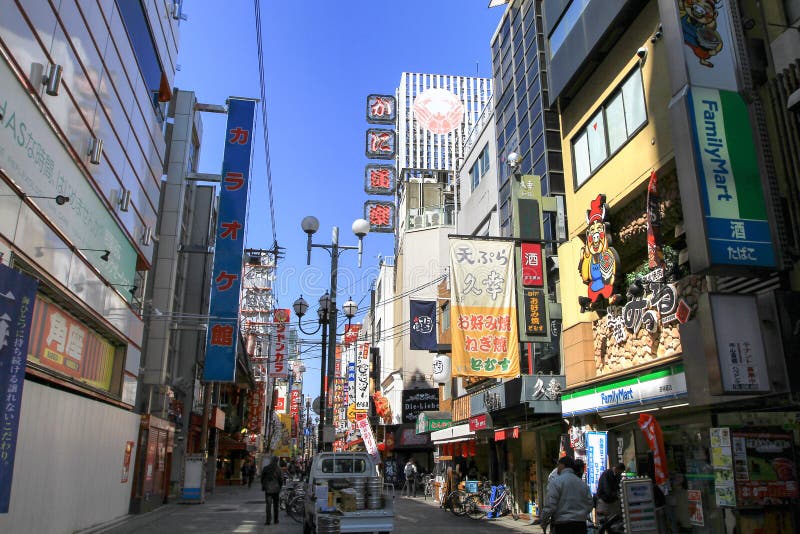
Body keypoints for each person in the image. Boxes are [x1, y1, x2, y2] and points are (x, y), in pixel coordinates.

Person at [538, 456, 594, 534]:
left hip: (563, 525)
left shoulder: (556, 482)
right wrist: (581, 514)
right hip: (580, 525)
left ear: (562, 465)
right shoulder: (582, 484)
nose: (557, 468)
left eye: (558, 465)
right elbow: (590, 504)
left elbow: (550, 505)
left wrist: (543, 520)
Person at [261, 455, 283, 525]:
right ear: (277, 461)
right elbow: (281, 480)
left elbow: (262, 478)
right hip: (276, 489)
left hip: (268, 489)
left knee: (268, 505)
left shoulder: (266, 468)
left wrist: (264, 485)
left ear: (271, 460)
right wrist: (280, 487)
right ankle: (276, 520)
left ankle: (268, 521)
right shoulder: (279, 469)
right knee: (276, 505)